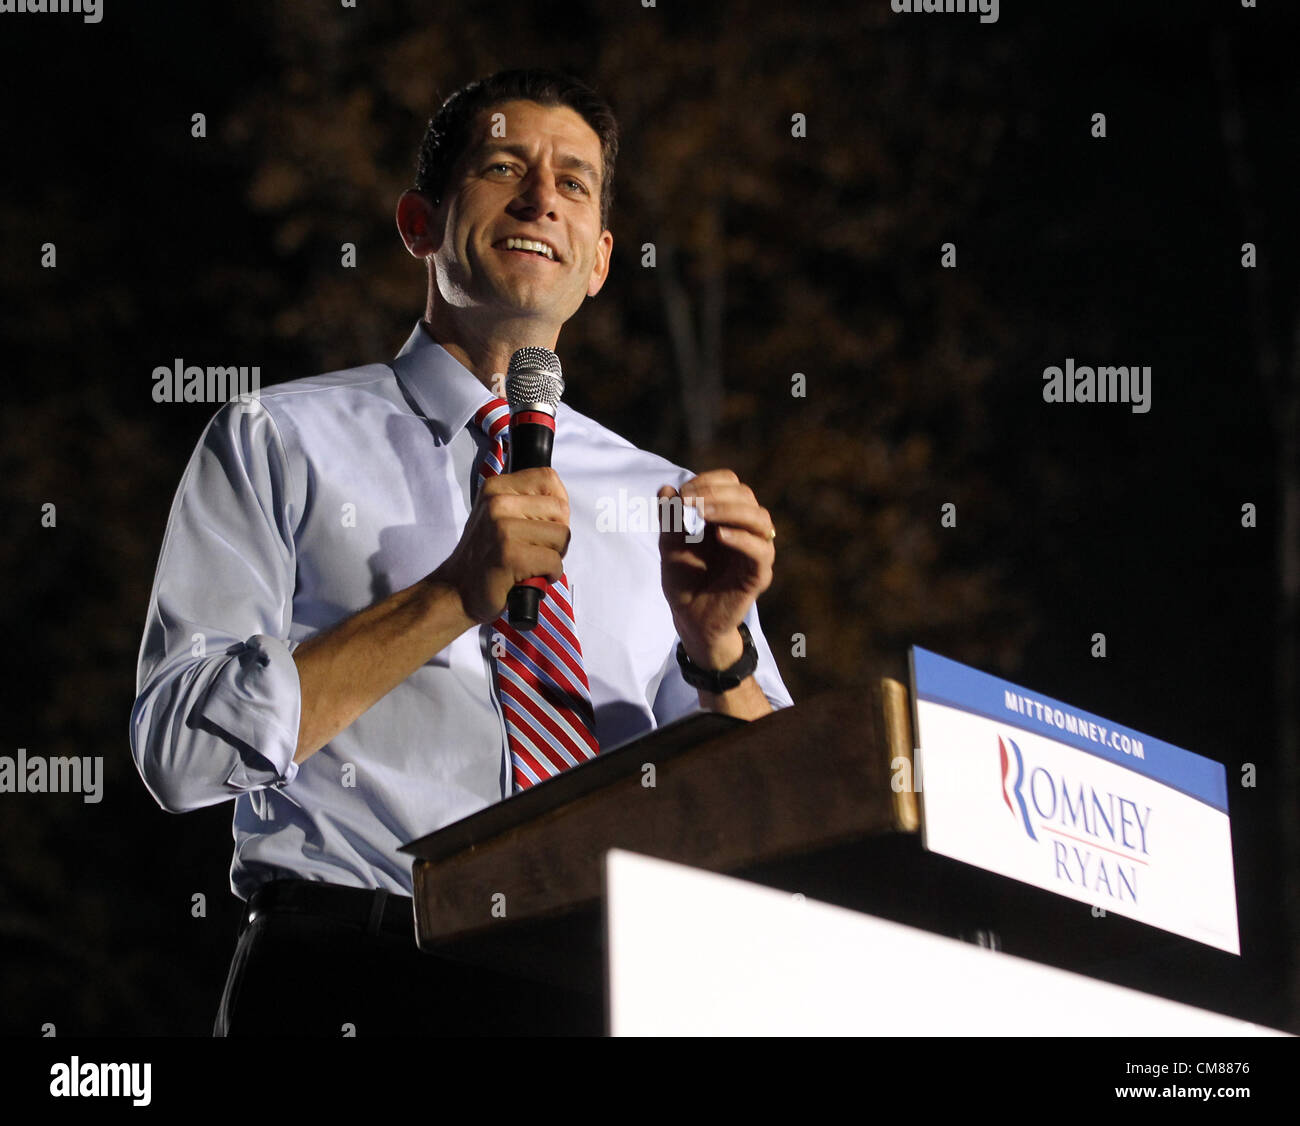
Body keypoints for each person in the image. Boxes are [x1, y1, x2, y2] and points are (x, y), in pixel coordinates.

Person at [130, 68, 793, 1036]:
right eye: (501, 166)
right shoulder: (278, 438)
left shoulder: (665, 498)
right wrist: (450, 595)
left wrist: (717, 650)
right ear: (416, 223)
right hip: (353, 977)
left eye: (574, 182)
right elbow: (177, 752)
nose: (540, 199)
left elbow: (773, 813)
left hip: (605, 989)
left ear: (600, 258)